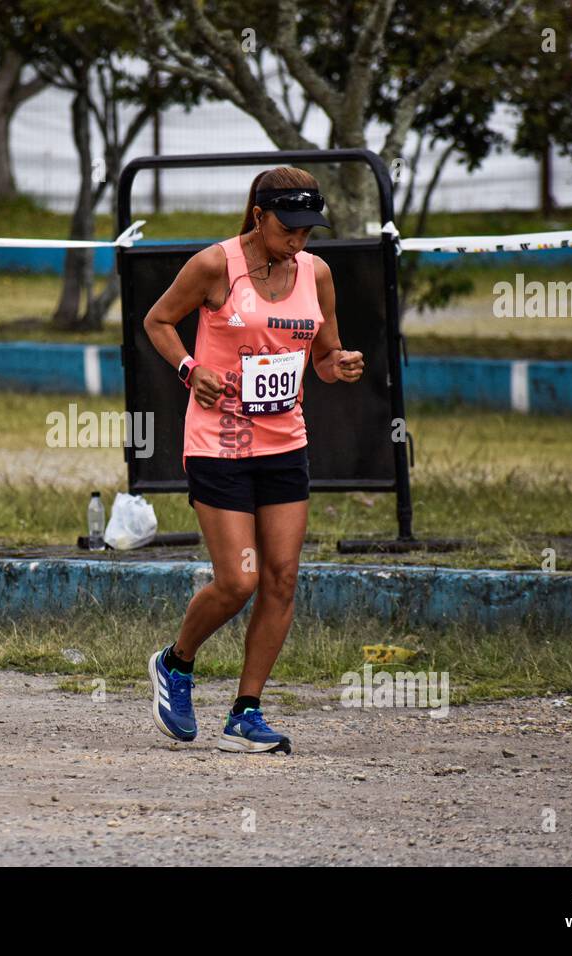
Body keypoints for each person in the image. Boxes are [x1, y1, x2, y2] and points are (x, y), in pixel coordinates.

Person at [141, 166, 365, 754]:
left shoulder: (316, 273)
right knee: (238, 580)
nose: (299, 240)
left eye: (308, 229)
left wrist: (337, 365)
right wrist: (192, 370)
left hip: (285, 444)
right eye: (289, 227)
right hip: (220, 444)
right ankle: (176, 663)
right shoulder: (215, 265)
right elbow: (157, 321)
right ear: (259, 215)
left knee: (281, 579)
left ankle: (246, 711)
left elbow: (322, 354)